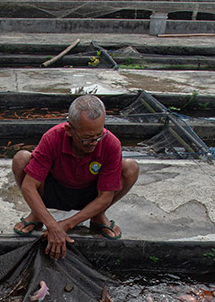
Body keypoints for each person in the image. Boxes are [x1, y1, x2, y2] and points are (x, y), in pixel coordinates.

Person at [12, 95, 139, 260]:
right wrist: (51, 225)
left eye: (98, 135)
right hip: (54, 191)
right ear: (70, 130)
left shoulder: (110, 144)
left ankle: (98, 215)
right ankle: (37, 214)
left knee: (131, 168)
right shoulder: (52, 138)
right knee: (21, 159)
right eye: (86, 138)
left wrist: (65, 225)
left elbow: (105, 196)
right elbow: (29, 186)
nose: (94, 142)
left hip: (89, 195)